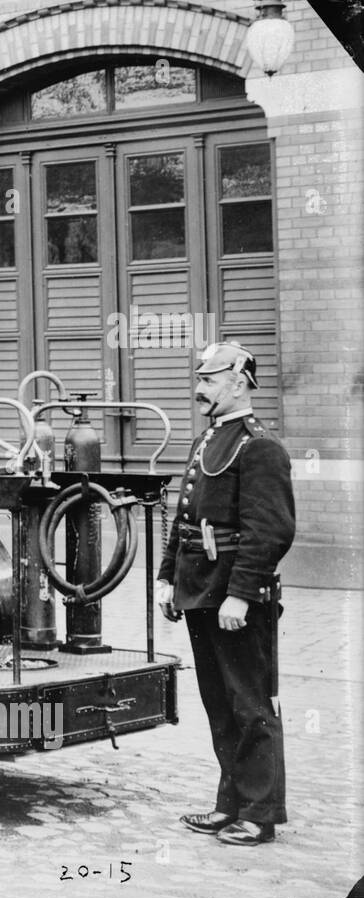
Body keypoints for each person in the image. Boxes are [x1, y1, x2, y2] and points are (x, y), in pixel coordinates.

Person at [155, 342, 295, 846]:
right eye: (199, 379)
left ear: (239, 383)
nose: (199, 390)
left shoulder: (259, 446)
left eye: (209, 381)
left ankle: (260, 814)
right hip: (200, 590)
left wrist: (241, 594)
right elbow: (185, 520)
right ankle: (229, 804)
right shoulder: (208, 441)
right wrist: (166, 577)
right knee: (220, 703)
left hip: (235, 598)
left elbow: (270, 532)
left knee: (250, 703)